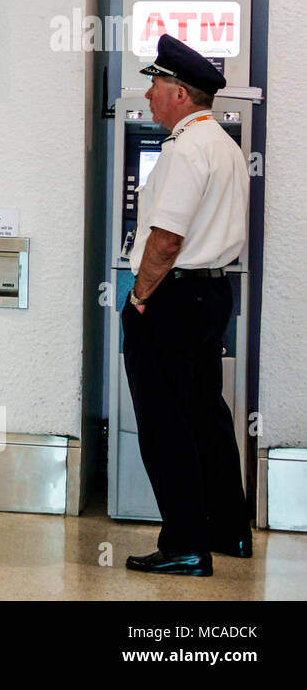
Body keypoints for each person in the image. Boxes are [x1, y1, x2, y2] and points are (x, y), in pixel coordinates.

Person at [122, 33, 251, 577]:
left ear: (179, 92)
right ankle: (228, 530)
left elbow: (166, 238)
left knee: (165, 422)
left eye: (155, 84)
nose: (148, 94)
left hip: (171, 297)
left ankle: (184, 545)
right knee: (206, 415)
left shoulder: (184, 148)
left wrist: (139, 296)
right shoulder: (224, 145)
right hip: (212, 293)